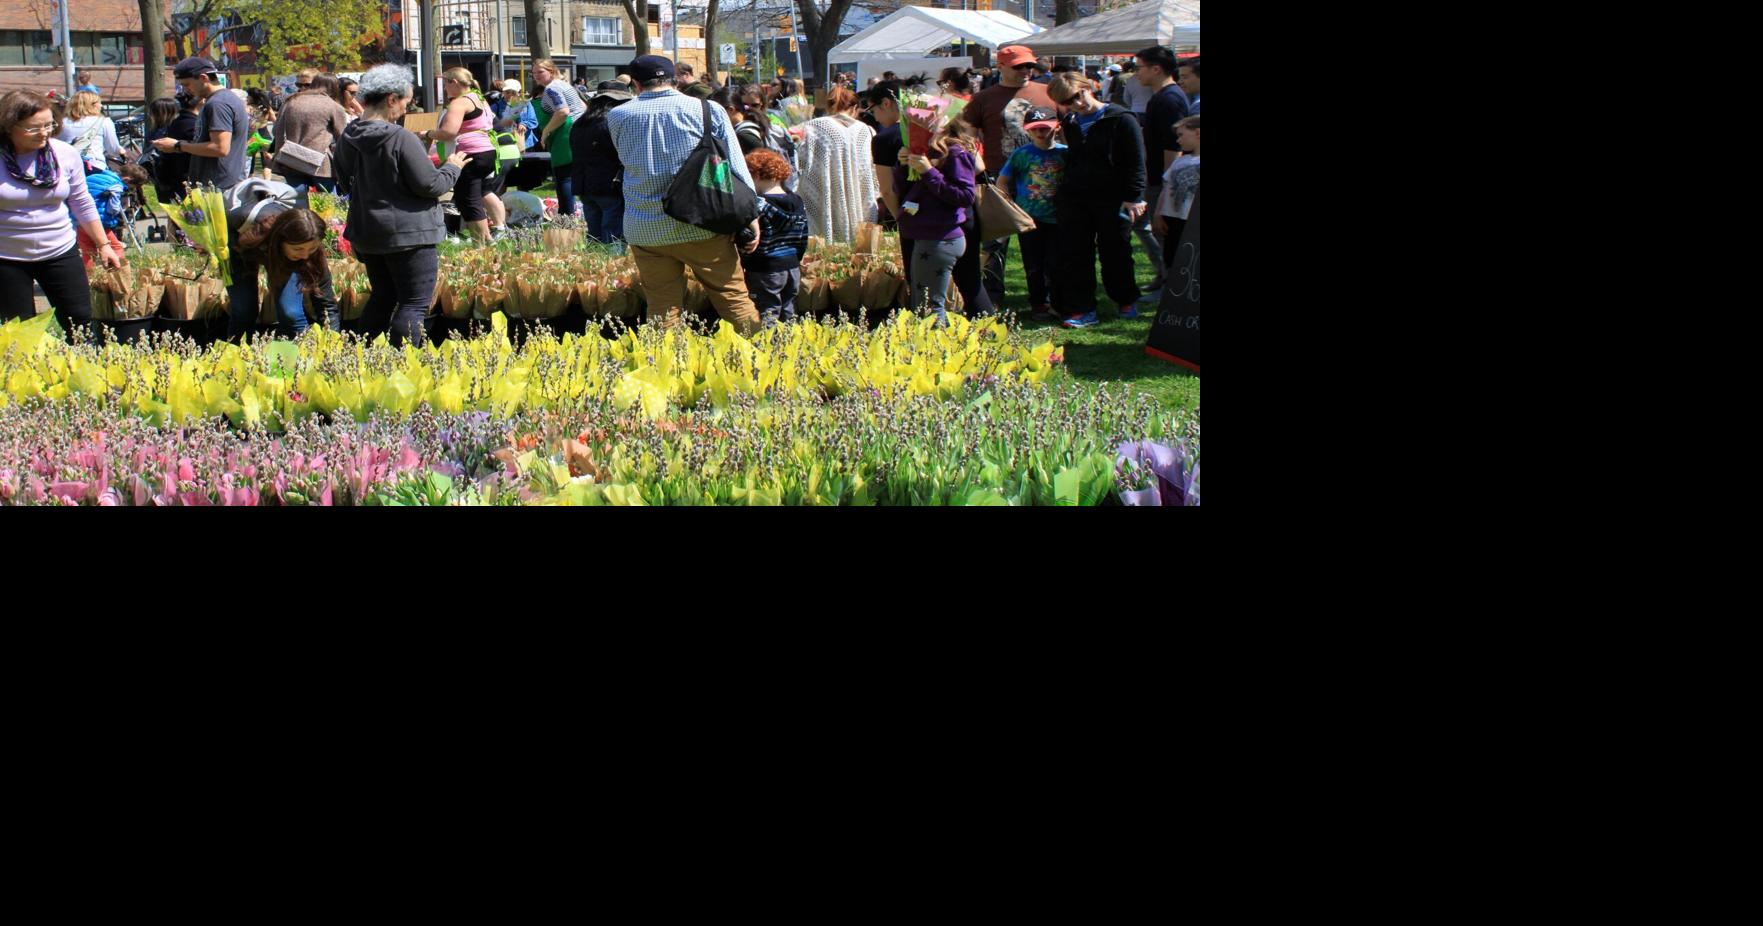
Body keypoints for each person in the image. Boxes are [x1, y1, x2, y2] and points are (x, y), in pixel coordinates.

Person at [605, 55, 762, 335]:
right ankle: (758, 358)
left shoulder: (617, 116)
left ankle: (663, 368)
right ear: (675, 80)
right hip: (702, 219)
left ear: (636, 85)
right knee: (733, 297)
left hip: (645, 226)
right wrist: (752, 214)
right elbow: (735, 165)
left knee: (661, 307)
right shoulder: (708, 109)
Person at [332, 63, 469, 346]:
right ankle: (404, 366)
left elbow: (345, 185)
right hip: (409, 233)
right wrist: (452, 168)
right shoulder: (399, 137)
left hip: (368, 231)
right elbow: (431, 185)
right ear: (391, 99)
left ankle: (364, 355)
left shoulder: (349, 135)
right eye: (405, 101)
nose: (407, 109)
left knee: (383, 296)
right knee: (414, 303)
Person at [0, 90, 123, 338]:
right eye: (34, 128)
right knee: (18, 333)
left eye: (49, 124)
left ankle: (83, 373)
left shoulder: (64, 153)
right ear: (9, 125)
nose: (44, 132)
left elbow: (81, 202)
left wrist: (104, 244)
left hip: (59, 251)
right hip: (7, 258)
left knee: (80, 324)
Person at [154, 57, 254, 322]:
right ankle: (234, 317)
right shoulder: (227, 100)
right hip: (221, 185)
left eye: (187, 84)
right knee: (225, 264)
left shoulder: (218, 103)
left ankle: (237, 323)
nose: (185, 90)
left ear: (203, 78)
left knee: (229, 263)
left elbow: (220, 147)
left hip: (220, 188)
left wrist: (178, 146)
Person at [1046, 71, 1144, 328]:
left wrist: (1134, 196)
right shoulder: (1071, 123)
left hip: (1113, 197)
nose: (1078, 103)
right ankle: (1082, 307)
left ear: (1088, 87)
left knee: (1117, 250)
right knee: (1076, 253)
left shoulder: (1121, 119)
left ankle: (1125, 298)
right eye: (1069, 101)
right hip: (1076, 198)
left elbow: (1136, 161)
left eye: (1079, 95)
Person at [962, 44, 1052, 307]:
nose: (1025, 71)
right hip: (997, 178)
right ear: (1000, 66)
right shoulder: (984, 98)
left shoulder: (1047, 93)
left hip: (1042, 179)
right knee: (993, 243)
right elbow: (967, 135)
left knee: (1040, 243)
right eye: (1018, 66)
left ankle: (1042, 299)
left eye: (1029, 65)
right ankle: (991, 300)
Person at [894, 118, 978, 326]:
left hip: (941, 237)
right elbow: (905, 192)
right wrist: (902, 166)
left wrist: (929, 172)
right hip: (924, 234)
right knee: (921, 302)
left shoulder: (955, 153)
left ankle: (935, 353)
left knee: (930, 308)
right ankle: (928, 348)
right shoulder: (923, 151)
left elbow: (966, 196)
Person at [995, 107, 1065, 321]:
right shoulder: (1022, 155)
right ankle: (1039, 303)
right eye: (1035, 129)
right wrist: (1011, 207)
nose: (1041, 133)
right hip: (1030, 220)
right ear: (1028, 131)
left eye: (1045, 128)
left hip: (1059, 218)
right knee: (1033, 264)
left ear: (1057, 128)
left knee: (1057, 261)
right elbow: (1002, 182)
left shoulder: (1065, 153)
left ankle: (1059, 301)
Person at [420, 68, 504, 240]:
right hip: (488, 151)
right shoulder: (478, 97)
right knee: (480, 193)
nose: (445, 89)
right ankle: (491, 234)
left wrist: (427, 134)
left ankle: (482, 242)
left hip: (470, 154)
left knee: (468, 199)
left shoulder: (459, 103)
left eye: (446, 84)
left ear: (454, 83)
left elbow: (448, 133)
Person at [1132, 45, 1190, 294]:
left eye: (1139, 67)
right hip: (1154, 176)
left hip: (1162, 179)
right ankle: (1163, 277)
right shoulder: (1161, 97)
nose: (1136, 74)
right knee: (1146, 228)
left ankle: (1170, 287)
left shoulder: (1170, 99)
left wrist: (1168, 184)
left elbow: (1173, 146)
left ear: (1156, 69)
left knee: (1162, 231)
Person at [233, 207, 340, 336]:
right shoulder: (253, 238)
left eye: (312, 248)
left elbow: (326, 304)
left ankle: (302, 350)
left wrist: (332, 342)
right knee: (243, 310)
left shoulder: (312, 252)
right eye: (298, 248)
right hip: (241, 255)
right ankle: (237, 347)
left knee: (291, 313)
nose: (305, 255)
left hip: (286, 261)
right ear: (280, 241)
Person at [796, 87, 876, 243]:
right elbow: (871, 169)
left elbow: (801, 162)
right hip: (858, 194)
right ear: (854, 107)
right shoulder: (866, 130)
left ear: (828, 105)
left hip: (826, 191)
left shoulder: (812, 127)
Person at [739, 149, 808, 326]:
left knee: (766, 311)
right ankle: (789, 345)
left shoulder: (759, 206)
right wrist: (796, 258)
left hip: (764, 268)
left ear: (754, 175)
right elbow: (802, 238)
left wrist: (745, 260)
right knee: (788, 310)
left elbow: (751, 240)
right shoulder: (797, 201)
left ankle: (768, 348)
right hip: (792, 266)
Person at [569, 81, 631, 244]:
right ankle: (612, 263)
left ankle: (593, 264)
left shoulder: (580, 122)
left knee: (594, 233)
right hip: (609, 183)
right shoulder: (612, 122)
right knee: (613, 234)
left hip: (584, 184)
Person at [272, 73, 349, 194]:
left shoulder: (291, 101)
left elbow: (276, 130)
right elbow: (343, 138)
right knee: (327, 206)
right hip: (321, 164)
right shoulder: (333, 106)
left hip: (292, 160)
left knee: (296, 203)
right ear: (335, 87)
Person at [531, 58, 586, 219]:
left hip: (566, 133)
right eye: (533, 73)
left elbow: (563, 111)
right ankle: (576, 215)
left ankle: (566, 217)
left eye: (540, 72)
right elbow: (582, 107)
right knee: (572, 175)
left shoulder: (552, 89)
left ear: (552, 71)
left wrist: (546, 131)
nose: (536, 76)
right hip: (578, 130)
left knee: (564, 177)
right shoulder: (564, 85)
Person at [1153, 115, 1199, 255]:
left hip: (1193, 222)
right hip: (1172, 219)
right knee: (1172, 257)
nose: (1178, 140)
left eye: (1181, 135)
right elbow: (1166, 188)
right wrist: (1157, 213)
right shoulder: (1180, 161)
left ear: (1198, 133)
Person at [866, 80, 904, 227]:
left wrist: (901, 220)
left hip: (911, 214)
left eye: (873, 110)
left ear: (886, 103)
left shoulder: (884, 140)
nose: (875, 117)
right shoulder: (932, 129)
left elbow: (887, 190)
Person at [56, 91, 122, 173]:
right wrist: (122, 152)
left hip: (67, 167)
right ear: (92, 105)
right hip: (94, 167)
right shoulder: (104, 121)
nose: (101, 106)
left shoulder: (62, 122)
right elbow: (113, 150)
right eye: (99, 103)